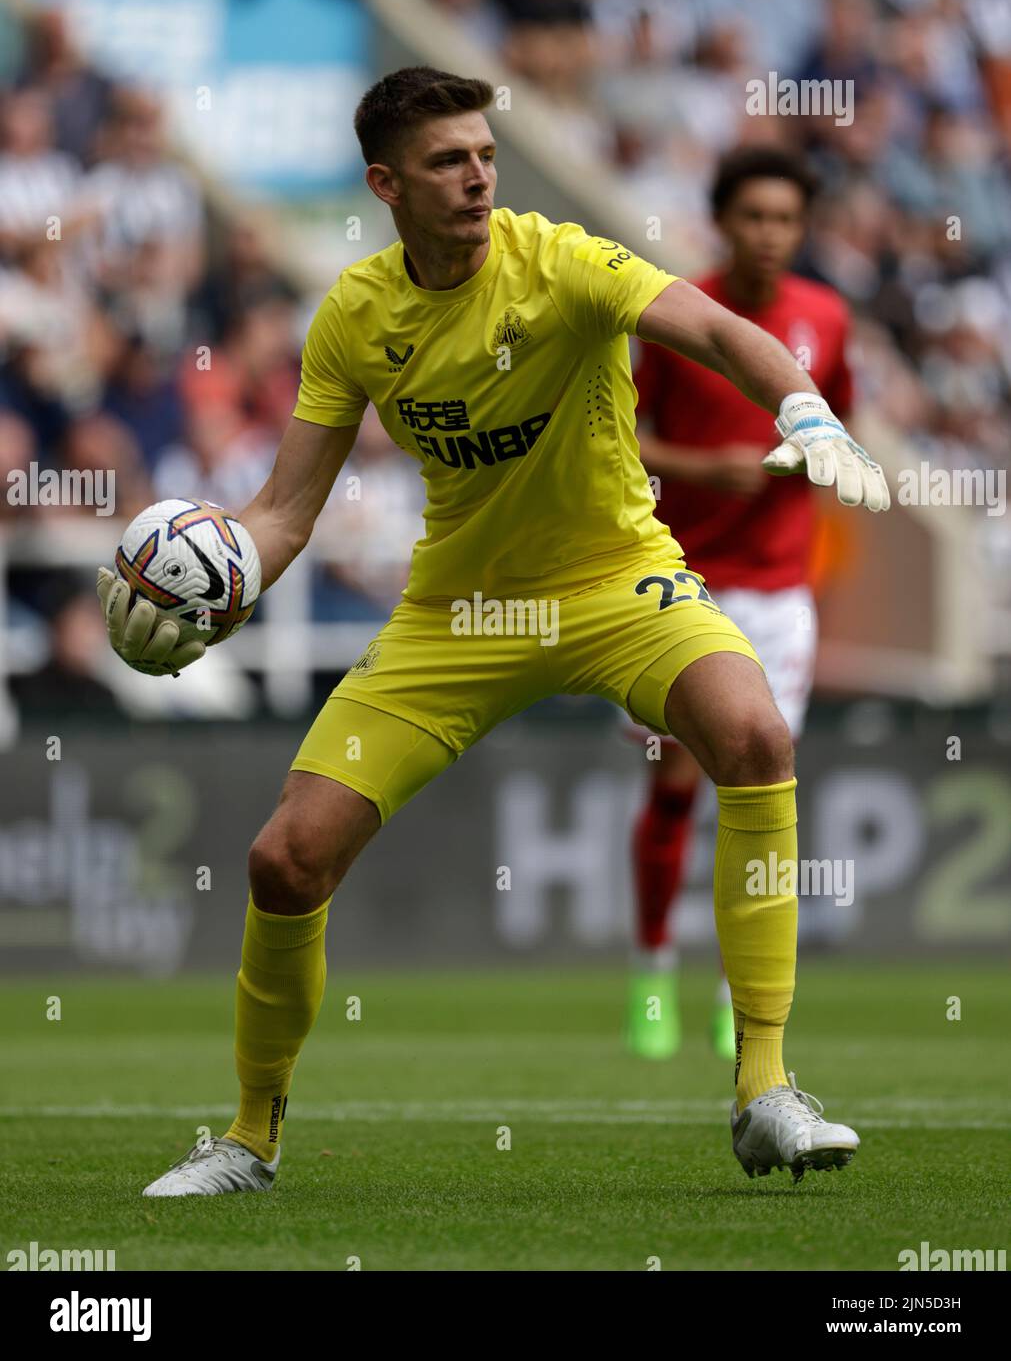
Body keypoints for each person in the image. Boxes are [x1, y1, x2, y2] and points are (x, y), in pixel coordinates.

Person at [96, 67, 888, 1195]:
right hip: (455, 617)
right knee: (286, 858)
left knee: (756, 736)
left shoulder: (561, 261)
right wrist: (223, 590)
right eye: (446, 163)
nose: (476, 179)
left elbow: (717, 329)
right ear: (386, 184)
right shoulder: (357, 315)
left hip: (620, 583)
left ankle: (765, 1090)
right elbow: (280, 513)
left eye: (484, 155)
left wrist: (802, 409)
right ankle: (248, 1138)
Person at [625, 146, 853, 1063]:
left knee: (757, 786)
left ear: (803, 229)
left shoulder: (828, 318)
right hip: (684, 586)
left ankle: (734, 994)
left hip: (780, 592)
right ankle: (650, 973)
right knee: (676, 783)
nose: (768, 234)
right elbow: (625, 437)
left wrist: (819, 454)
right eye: (752, 216)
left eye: (784, 218)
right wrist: (700, 467)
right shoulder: (684, 315)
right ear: (722, 221)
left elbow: (836, 421)